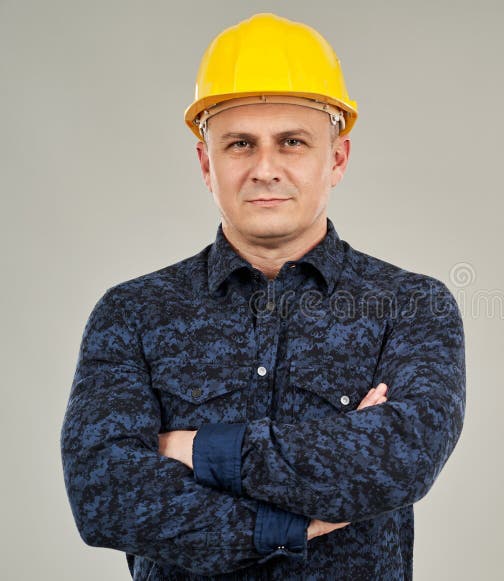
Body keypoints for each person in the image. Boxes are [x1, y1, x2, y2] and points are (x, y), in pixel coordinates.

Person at [60, 12, 465, 581]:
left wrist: (192, 450)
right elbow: (102, 494)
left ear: (338, 158)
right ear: (207, 162)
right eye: (240, 144)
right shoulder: (132, 313)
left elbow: (398, 461)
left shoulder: (411, 306)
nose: (265, 168)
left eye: (292, 142)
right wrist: (289, 524)